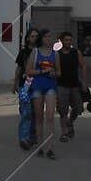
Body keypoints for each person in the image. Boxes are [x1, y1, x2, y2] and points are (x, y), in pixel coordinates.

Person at [28, 29, 59, 158]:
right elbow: (29, 71)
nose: (48, 39)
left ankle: (50, 147)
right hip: (37, 86)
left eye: (50, 37)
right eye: (45, 37)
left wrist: (53, 73)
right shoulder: (35, 52)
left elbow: (59, 72)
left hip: (51, 86)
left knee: (50, 116)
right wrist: (42, 72)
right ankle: (40, 146)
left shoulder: (55, 54)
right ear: (41, 39)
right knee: (39, 117)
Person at [56, 30, 83, 141]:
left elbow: (82, 66)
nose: (68, 42)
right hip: (61, 85)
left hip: (74, 84)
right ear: (61, 41)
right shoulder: (57, 54)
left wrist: (84, 81)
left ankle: (70, 121)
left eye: (70, 40)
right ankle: (64, 133)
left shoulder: (76, 52)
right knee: (63, 109)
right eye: (66, 40)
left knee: (78, 108)